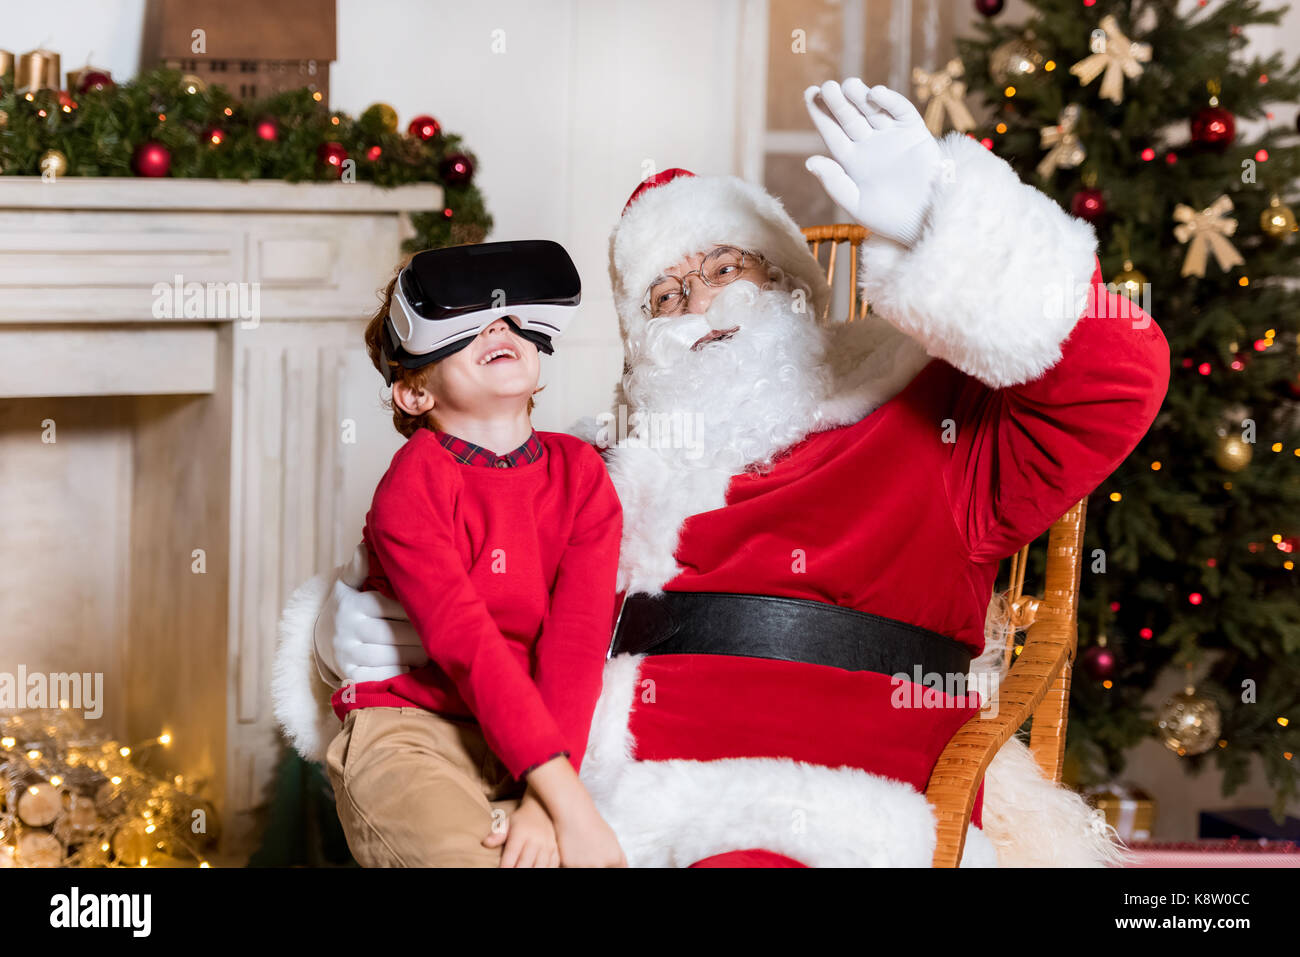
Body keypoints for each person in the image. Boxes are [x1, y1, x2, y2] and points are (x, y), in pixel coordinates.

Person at [275, 80, 1169, 867]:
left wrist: (947, 221)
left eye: (725, 267)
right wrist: (337, 632)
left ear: (793, 288)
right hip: (608, 804)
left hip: (837, 806)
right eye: (664, 295)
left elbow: (1119, 378)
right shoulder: (593, 468)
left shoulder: (923, 415)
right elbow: (473, 600)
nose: (698, 301)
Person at [315, 245, 625, 867]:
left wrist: (547, 801)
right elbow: (469, 644)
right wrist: (570, 806)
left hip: (538, 746)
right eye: (466, 324)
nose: (497, 325)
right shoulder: (414, 482)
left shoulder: (582, 473)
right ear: (414, 394)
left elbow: (577, 645)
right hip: (412, 738)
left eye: (509, 319)